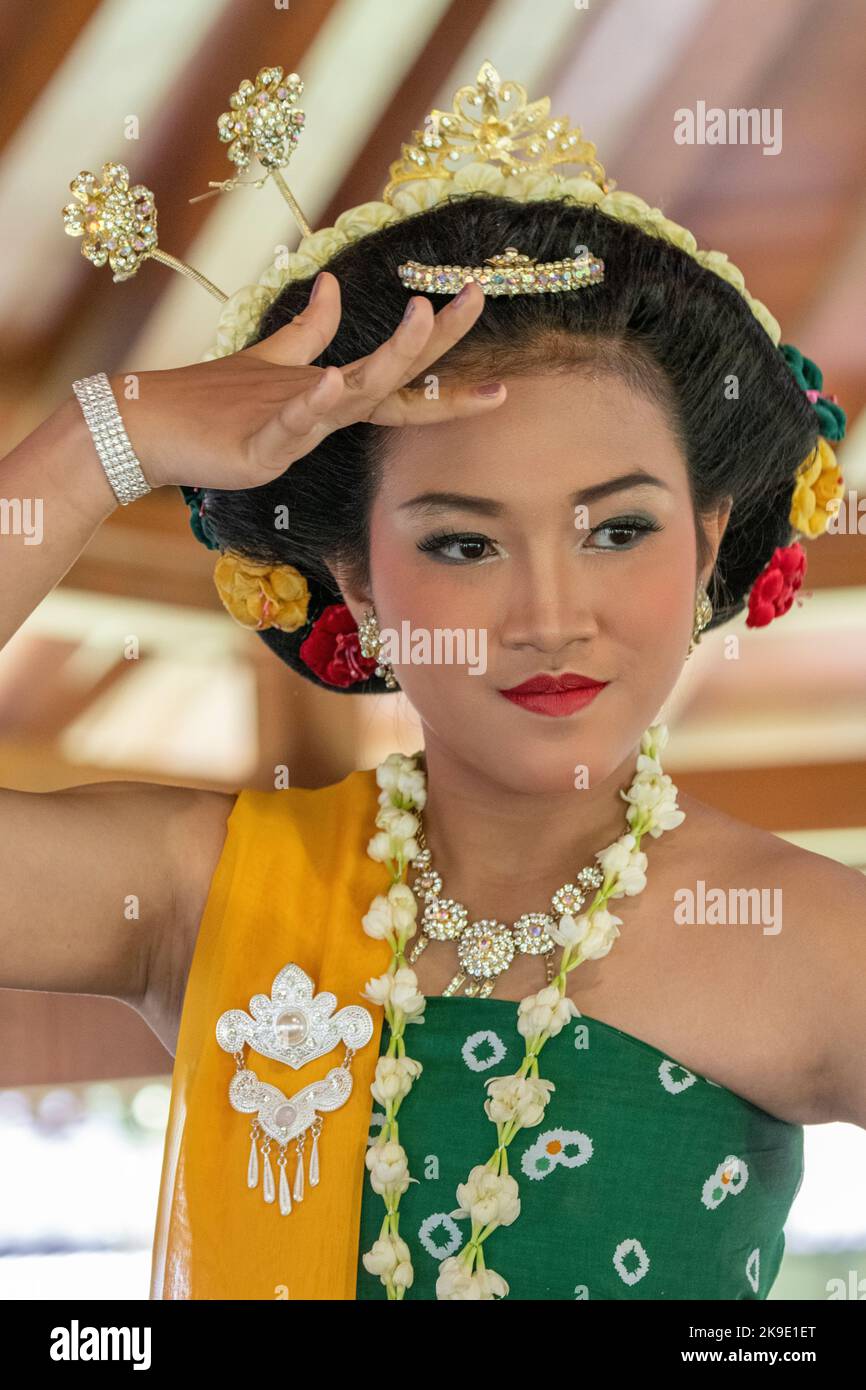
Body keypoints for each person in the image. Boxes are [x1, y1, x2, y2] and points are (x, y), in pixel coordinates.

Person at [3, 91, 865, 1305]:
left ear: (710, 548)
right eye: (465, 544)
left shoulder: (810, 941)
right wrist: (108, 436)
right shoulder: (205, 890)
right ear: (354, 578)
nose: (549, 613)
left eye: (618, 528)